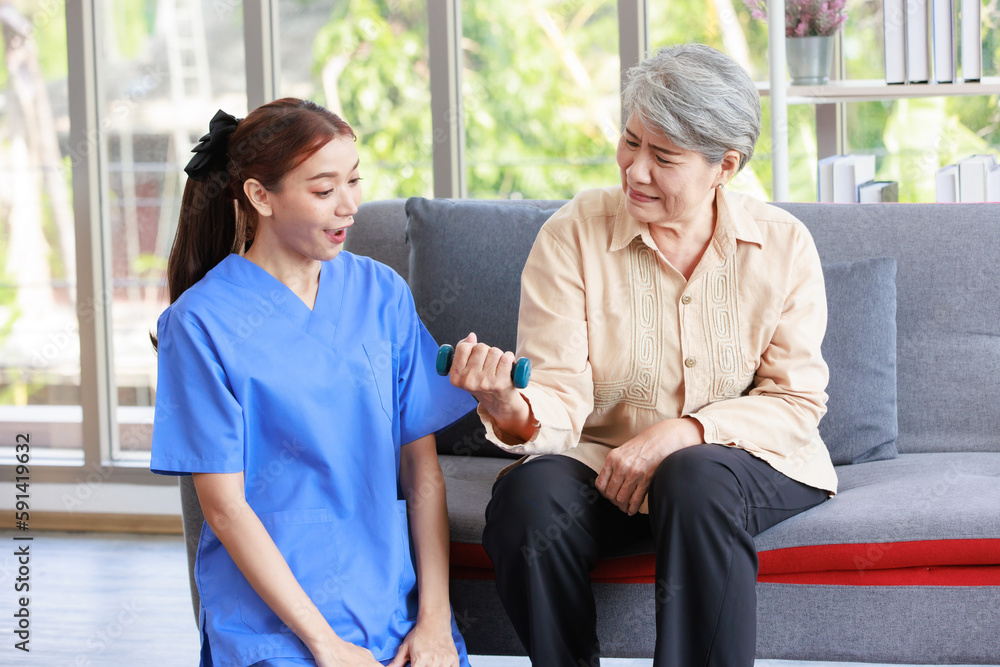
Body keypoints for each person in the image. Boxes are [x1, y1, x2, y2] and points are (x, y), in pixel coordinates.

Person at [446, 44, 838, 667]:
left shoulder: (782, 245)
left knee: (694, 473)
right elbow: (559, 394)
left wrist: (684, 433)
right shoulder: (573, 234)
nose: (635, 170)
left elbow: (794, 399)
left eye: (664, 157)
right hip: (603, 462)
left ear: (724, 166)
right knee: (527, 501)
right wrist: (508, 406)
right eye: (630, 142)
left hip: (740, 466)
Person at [150, 98, 476, 667]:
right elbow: (223, 509)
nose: (348, 206)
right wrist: (325, 646)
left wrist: (434, 622)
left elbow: (421, 469)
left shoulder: (382, 293)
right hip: (271, 625)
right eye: (324, 191)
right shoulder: (199, 325)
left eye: (354, 181)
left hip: (388, 609)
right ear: (260, 196)